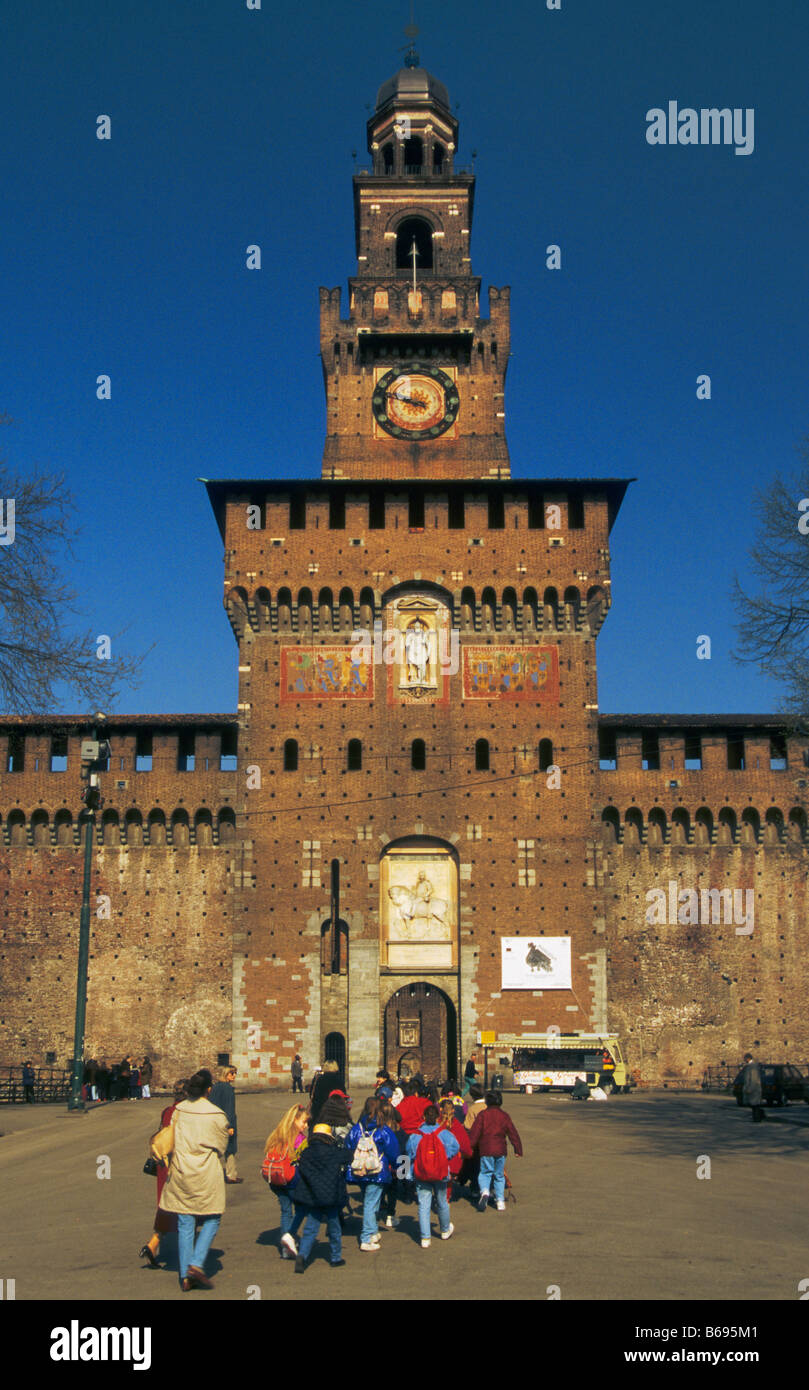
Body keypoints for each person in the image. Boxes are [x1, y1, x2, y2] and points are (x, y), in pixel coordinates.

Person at [158, 1068, 229, 1290]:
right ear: (209, 1090)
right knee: (212, 1217)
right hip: (206, 1172)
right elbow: (221, 1147)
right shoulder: (217, 1115)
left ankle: (184, 1276)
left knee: (185, 1221)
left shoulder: (179, 1110)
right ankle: (196, 1263)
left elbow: (171, 1139)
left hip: (181, 1170)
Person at [140, 1078, 187, 1268]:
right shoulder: (186, 1113)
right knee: (186, 1208)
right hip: (179, 1163)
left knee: (166, 1205)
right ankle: (189, 1259)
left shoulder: (167, 1111)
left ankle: (153, 1244)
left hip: (163, 1164)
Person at [292, 1120, 351, 1272]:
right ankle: (335, 1257)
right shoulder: (334, 1152)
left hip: (313, 1197)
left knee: (310, 1229)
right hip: (332, 1196)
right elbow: (348, 1157)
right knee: (334, 1228)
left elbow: (302, 1170)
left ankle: (303, 1255)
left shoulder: (306, 1153)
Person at [346, 1097, 400, 1251]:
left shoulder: (356, 1128)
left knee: (371, 1201)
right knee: (371, 1203)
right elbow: (394, 1151)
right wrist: (397, 1167)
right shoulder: (383, 1130)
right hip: (377, 1171)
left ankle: (373, 1231)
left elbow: (348, 1145)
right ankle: (366, 1237)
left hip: (360, 1170)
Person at [405, 1103, 459, 1248]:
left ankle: (425, 1238)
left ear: (423, 1116)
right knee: (442, 1201)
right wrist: (444, 1157)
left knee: (423, 1204)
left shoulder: (415, 1135)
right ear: (437, 1116)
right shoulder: (444, 1133)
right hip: (440, 1172)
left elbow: (409, 1152)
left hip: (421, 1172)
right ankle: (445, 1230)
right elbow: (456, 1146)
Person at [264, 1103, 309, 1259]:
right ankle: (289, 1236)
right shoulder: (300, 1139)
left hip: (275, 1179)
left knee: (285, 1210)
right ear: (295, 1120)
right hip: (291, 1179)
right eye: (304, 1121)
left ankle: (285, 1246)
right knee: (301, 1209)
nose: (306, 1125)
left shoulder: (277, 1134)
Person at [468, 1089, 523, 1211]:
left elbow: (475, 1133)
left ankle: (485, 1191)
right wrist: (518, 1149)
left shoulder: (482, 1115)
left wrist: (469, 1147)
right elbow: (513, 1133)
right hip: (500, 1150)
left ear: (487, 1101)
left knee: (485, 1173)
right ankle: (500, 1201)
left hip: (486, 1149)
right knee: (499, 1175)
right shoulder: (504, 1116)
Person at [209, 1066, 242, 1182]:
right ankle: (231, 1174)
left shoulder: (215, 1087)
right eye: (232, 1073)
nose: (234, 1076)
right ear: (226, 1074)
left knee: (215, 1148)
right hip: (225, 1122)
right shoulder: (228, 1089)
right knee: (230, 1149)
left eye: (234, 1073)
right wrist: (231, 1125)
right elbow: (229, 1109)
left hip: (214, 1121)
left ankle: (211, 1173)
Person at [438, 1098, 472, 1201]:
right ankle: (446, 1198)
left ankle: (440, 1197)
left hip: (436, 1158)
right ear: (453, 1110)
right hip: (453, 1160)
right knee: (448, 1180)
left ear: (440, 1109)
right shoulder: (457, 1125)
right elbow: (464, 1144)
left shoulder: (436, 1123)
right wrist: (469, 1154)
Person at [741, 1051, 764, 1123]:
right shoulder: (749, 1066)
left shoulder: (753, 1066)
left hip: (754, 1089)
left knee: (755, 1105)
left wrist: (750, 1089)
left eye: (745, 1058)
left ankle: (757, 1118)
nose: (744, 1060)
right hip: (752, 1088)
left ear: (748, 1058)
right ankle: (759, 1116)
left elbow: (754, 1078)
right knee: (753, 1105)